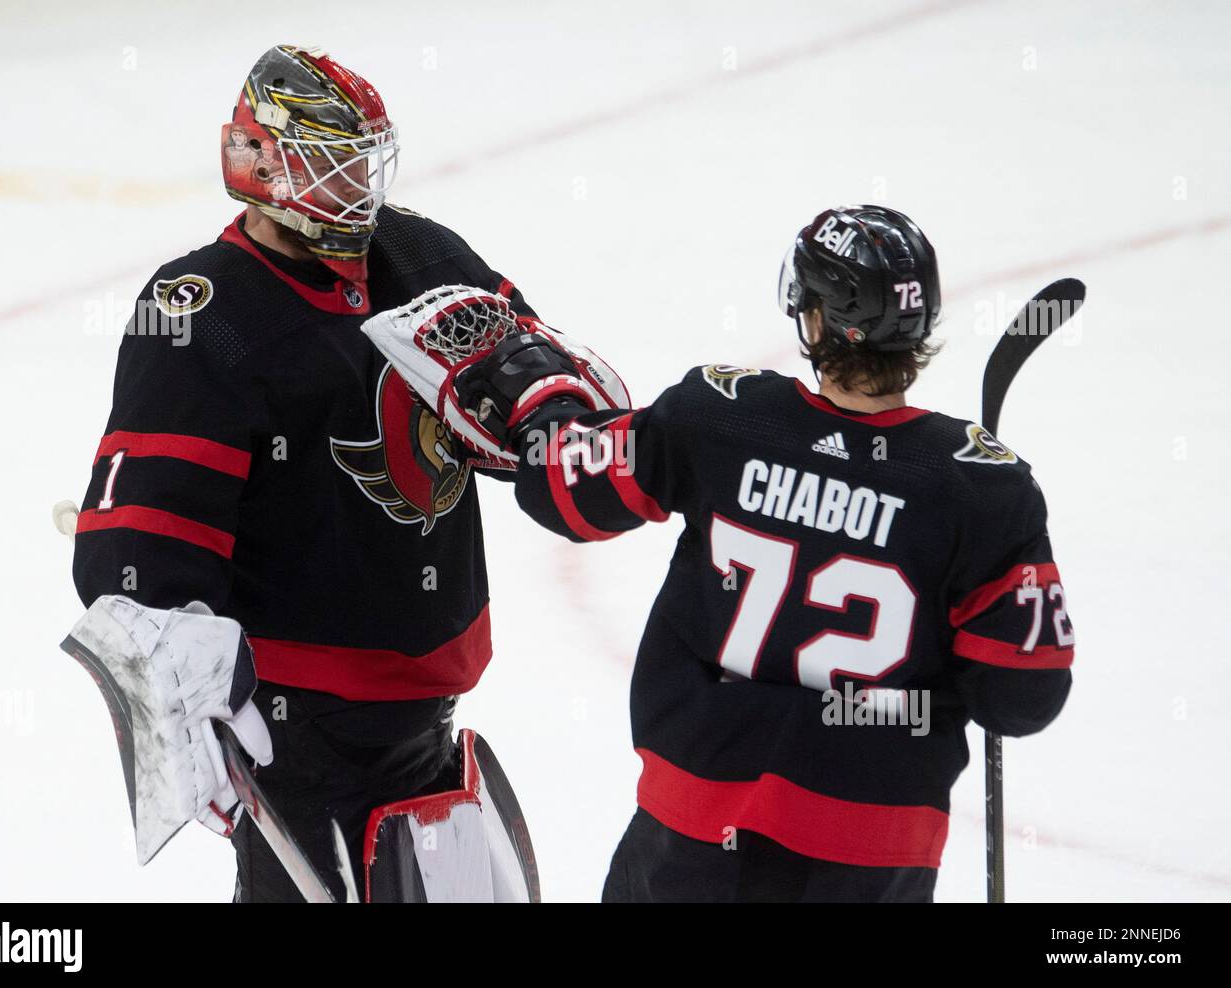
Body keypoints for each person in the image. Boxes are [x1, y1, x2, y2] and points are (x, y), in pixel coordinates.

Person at [65, 44, 623, 902]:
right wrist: (176, 645)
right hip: (295, 732)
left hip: (429, 716)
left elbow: (538, 384)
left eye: (364, 165)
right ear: (260, 164)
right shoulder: (203, 311)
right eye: (333, 169)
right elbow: (137, 547)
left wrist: (542, 411)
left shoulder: (417, 254)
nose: (356, 190)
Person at [393, 204, 1075, 901]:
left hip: (693, 835)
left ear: (814, 319)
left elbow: (568, 493)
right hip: (876, 862)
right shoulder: (982, 487)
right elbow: (1023, 698)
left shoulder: (722, 417)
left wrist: (541, 396)